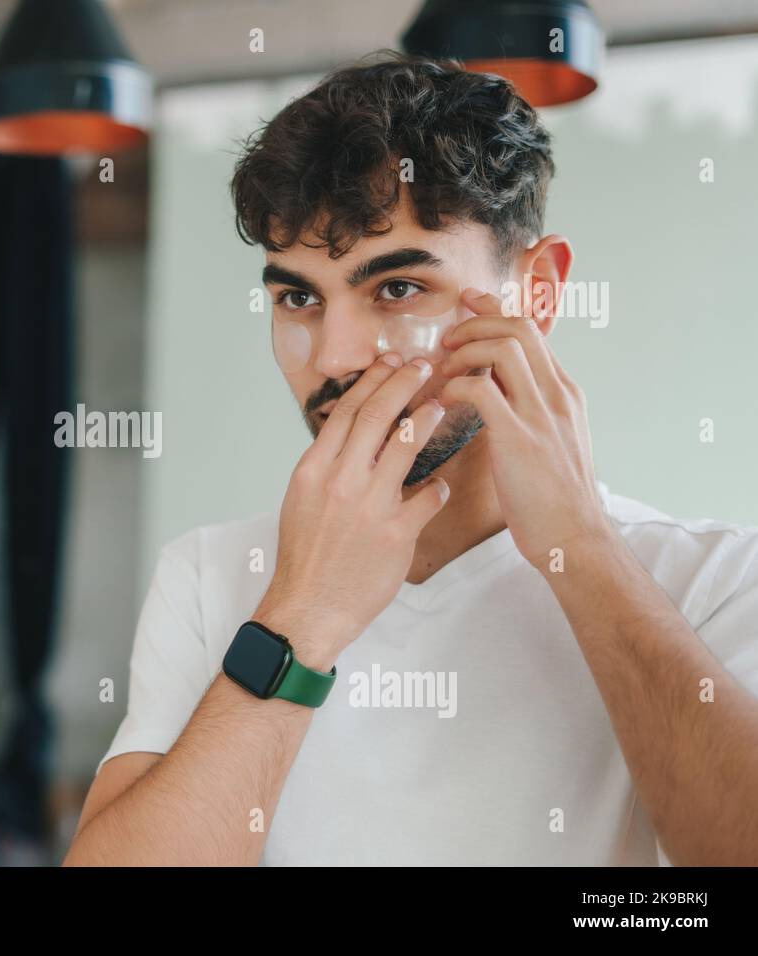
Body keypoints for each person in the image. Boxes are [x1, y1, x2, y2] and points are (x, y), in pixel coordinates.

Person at [63, 53, 758, 866]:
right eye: (298, 298)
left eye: (396, 290)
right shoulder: (210, 576)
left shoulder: (716, 580)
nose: (336, 355)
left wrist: (585, 549)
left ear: (536, 294)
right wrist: (301, 617)